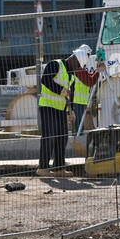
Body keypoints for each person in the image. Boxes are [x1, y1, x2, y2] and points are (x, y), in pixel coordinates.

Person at [37, 47, 88, 175]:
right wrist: (61, 90)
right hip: (48, 107)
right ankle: (43, 168)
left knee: (62, 137)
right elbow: (45, 80)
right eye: (77, 65)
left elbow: (71, 94)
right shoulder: (55, 64)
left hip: (61, 109)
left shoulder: (71, 75)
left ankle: (59, 168)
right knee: (49, 137)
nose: (77, 68)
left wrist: (71, 111)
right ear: (73, 58)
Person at [69, 43, 99, 136]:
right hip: (78, 100)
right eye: (88, 55)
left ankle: (78, 136)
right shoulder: (78, 69)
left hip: (81, 100)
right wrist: (97, 72)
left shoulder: (81, 68)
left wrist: (96, 71)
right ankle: (78, 139)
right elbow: (89, 82)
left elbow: (89, 78)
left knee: (79, 122)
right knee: (79, 123)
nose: (88, 58)